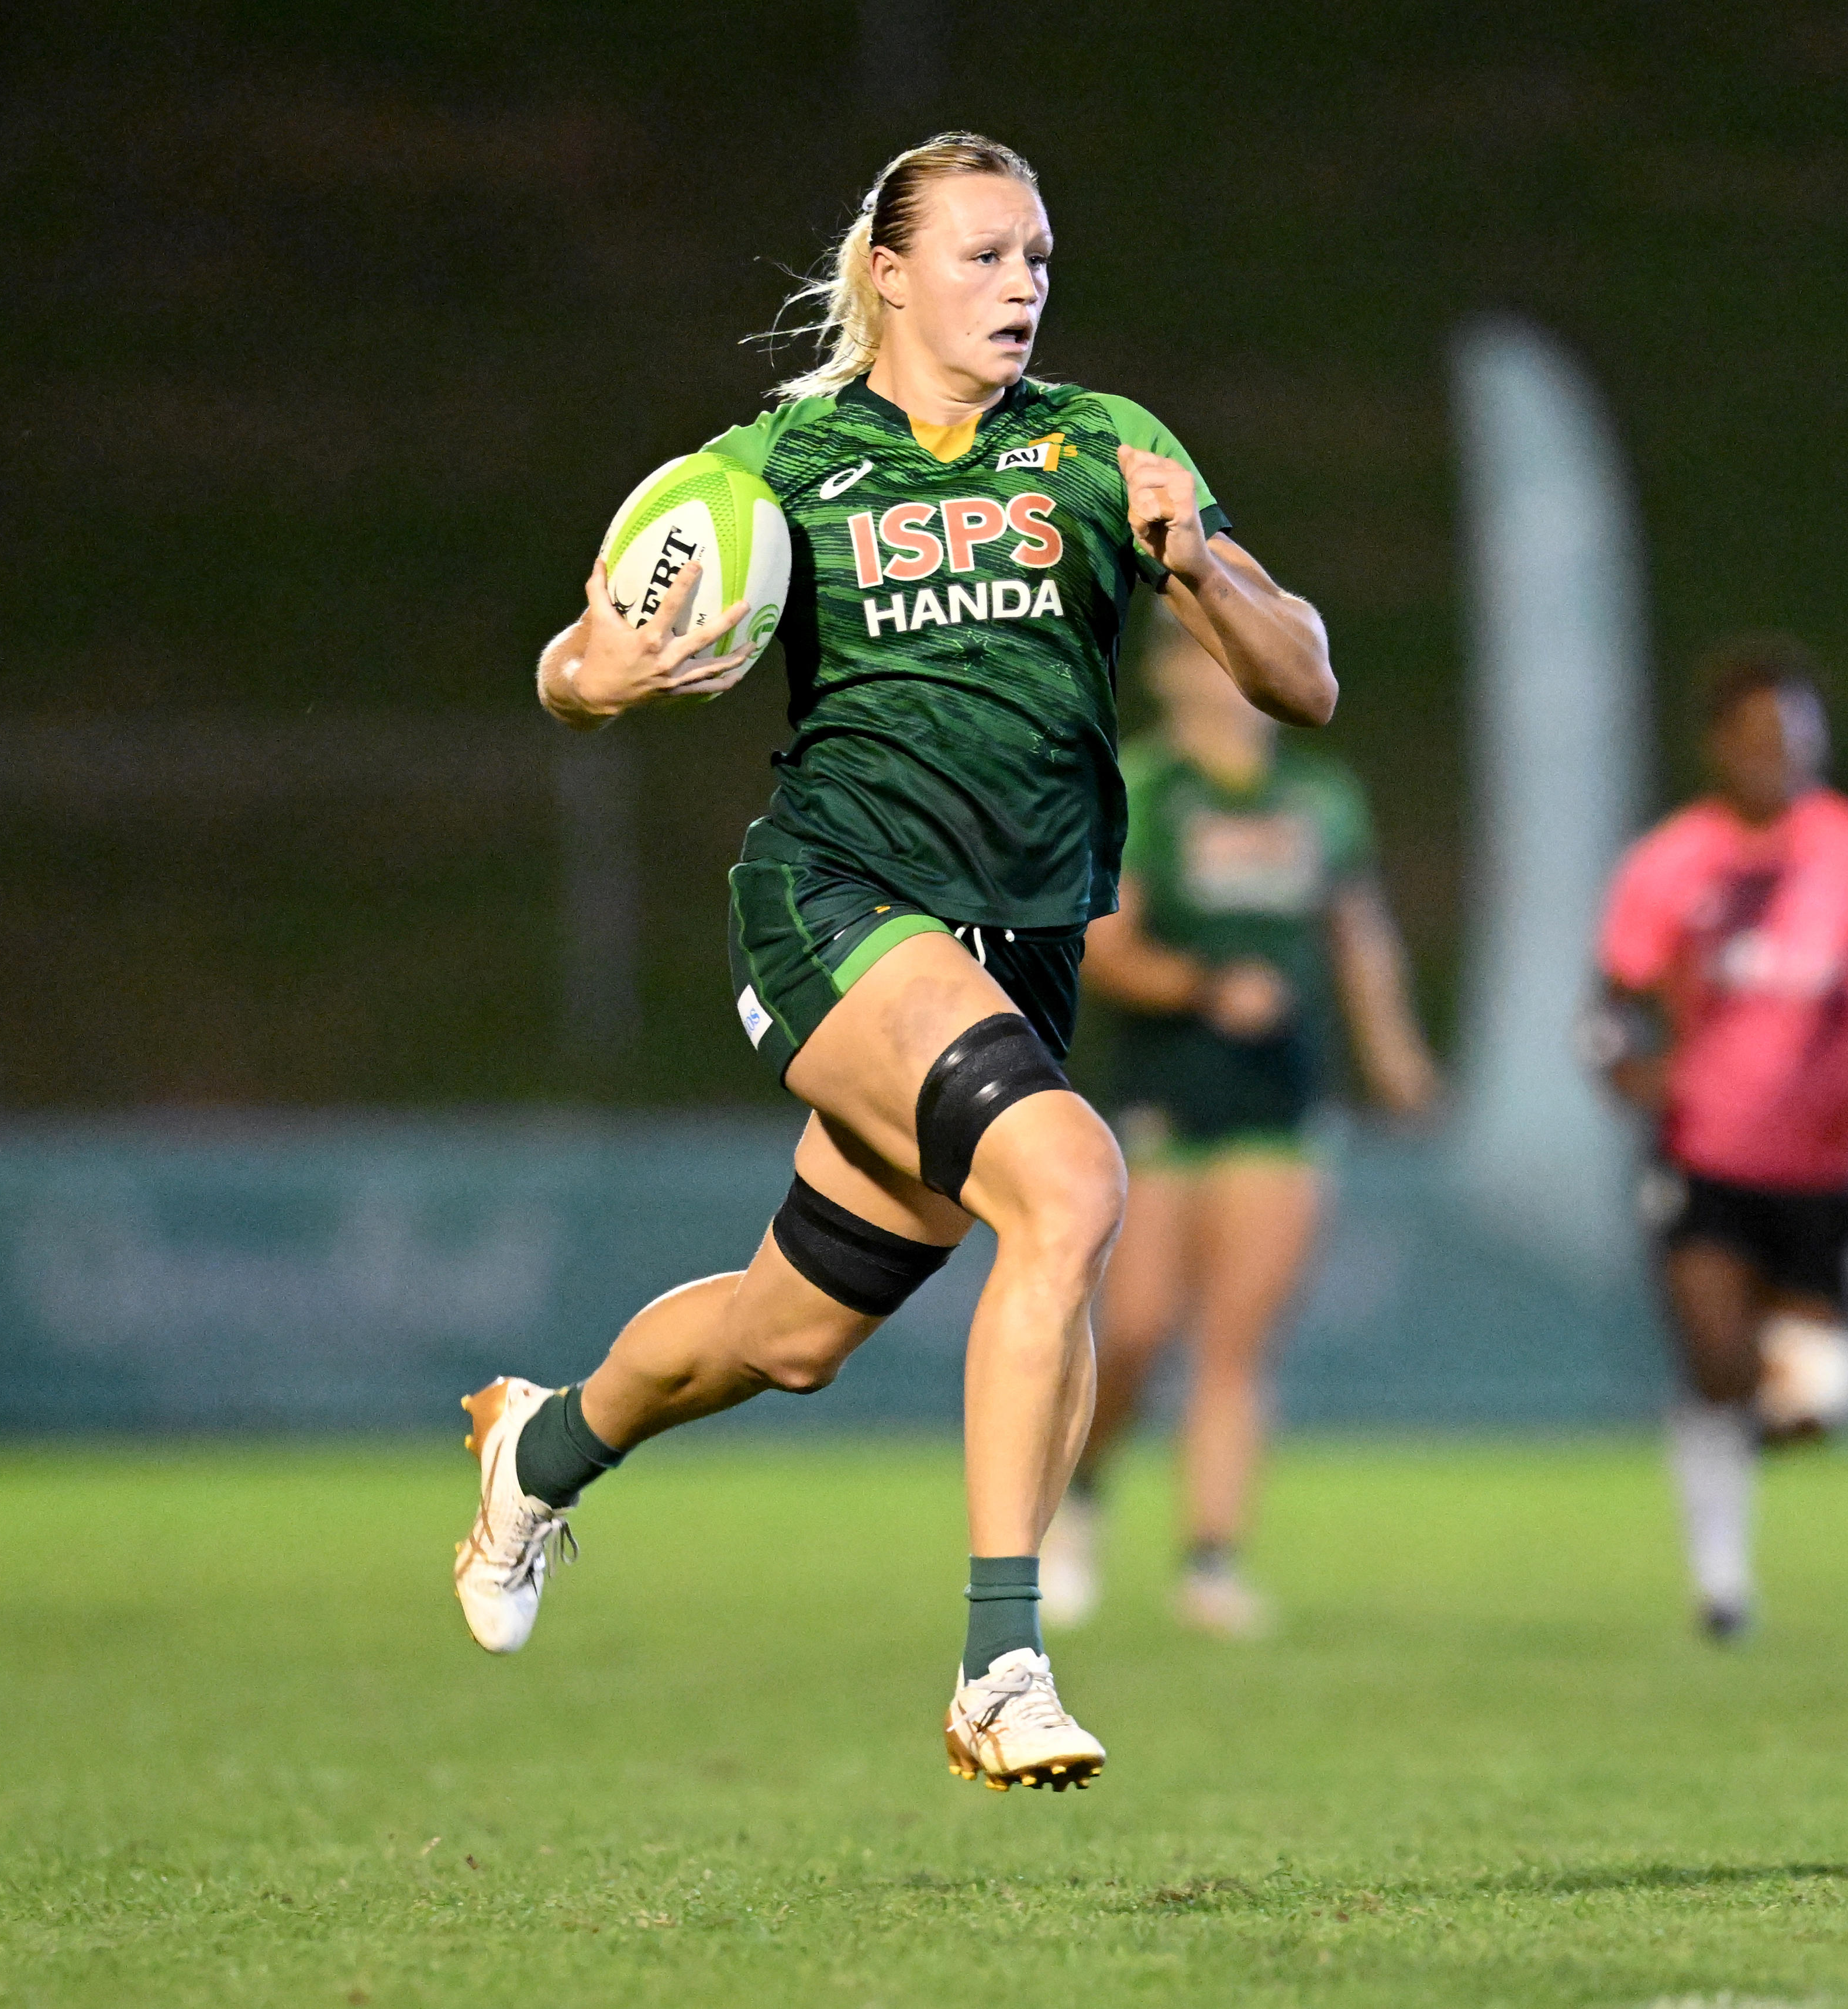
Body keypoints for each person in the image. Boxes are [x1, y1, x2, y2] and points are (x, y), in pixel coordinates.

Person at [451, 133, 1338, 1791]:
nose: (1022, 289)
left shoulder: (1104, 447)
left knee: (788, 1334)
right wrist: (603, 678)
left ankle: (543, 1440)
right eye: (989, 256)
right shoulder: (781, 463)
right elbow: (585, 651)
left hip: (1017, 956)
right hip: (836, 905)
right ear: (891, 270)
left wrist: (1198, 563)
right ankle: (1003, 1660)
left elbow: (1306, 682)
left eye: (1041, 263)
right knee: (1069, 1184)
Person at [1043, 612, 1438, 1639]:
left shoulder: (1320, 798)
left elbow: (1359, 937)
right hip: (1169, 1091)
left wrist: (1394, 1053)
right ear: (1175, 675)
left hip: (1282, 1101)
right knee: (1132, 1331)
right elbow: (1105, 943)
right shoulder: (1143, 786)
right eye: (1204, 658)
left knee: (1235, 1344)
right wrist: (1206, 987)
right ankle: (1079, 1503)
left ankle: (1210, 1562)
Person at [1585, 637, 1848, 1641]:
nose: (1778, 758)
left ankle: (1726, 1446)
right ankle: (1721, 1584)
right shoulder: (1670, 863)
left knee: (1809, 1407)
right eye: (1757, 739)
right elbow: (1610, 1006)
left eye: (1796, 740)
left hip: (1824, 1171)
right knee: (1713, 1355)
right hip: (1703, 1158)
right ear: (1720, 745)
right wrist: (1626, 1068)